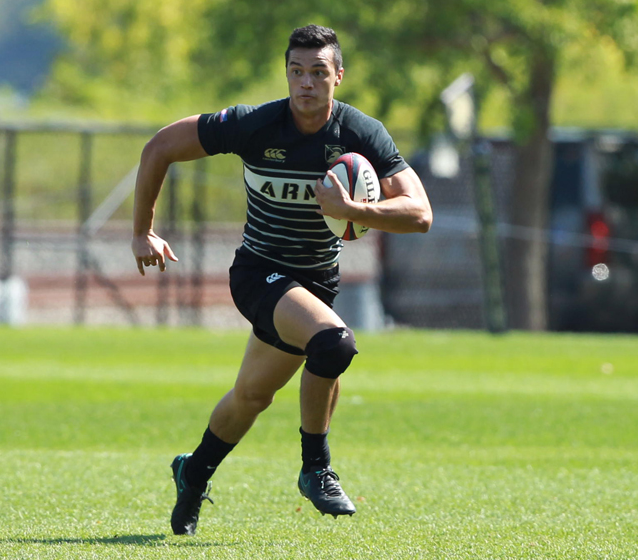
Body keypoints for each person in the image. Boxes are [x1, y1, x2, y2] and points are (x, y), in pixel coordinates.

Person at [131, 24, 432, 535]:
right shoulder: (256, 125)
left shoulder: (361, 134)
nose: (306, 83)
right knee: (334, 343)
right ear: (287, 74)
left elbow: (420, 212)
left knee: (251, 396)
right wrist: (143, 232)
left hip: (314, 283)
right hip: (258, 274)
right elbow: (160, 146)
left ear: (339, 76)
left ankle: (193, 470)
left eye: (319, 72)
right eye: (297, 72)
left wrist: (356, 208)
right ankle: (316, 466)